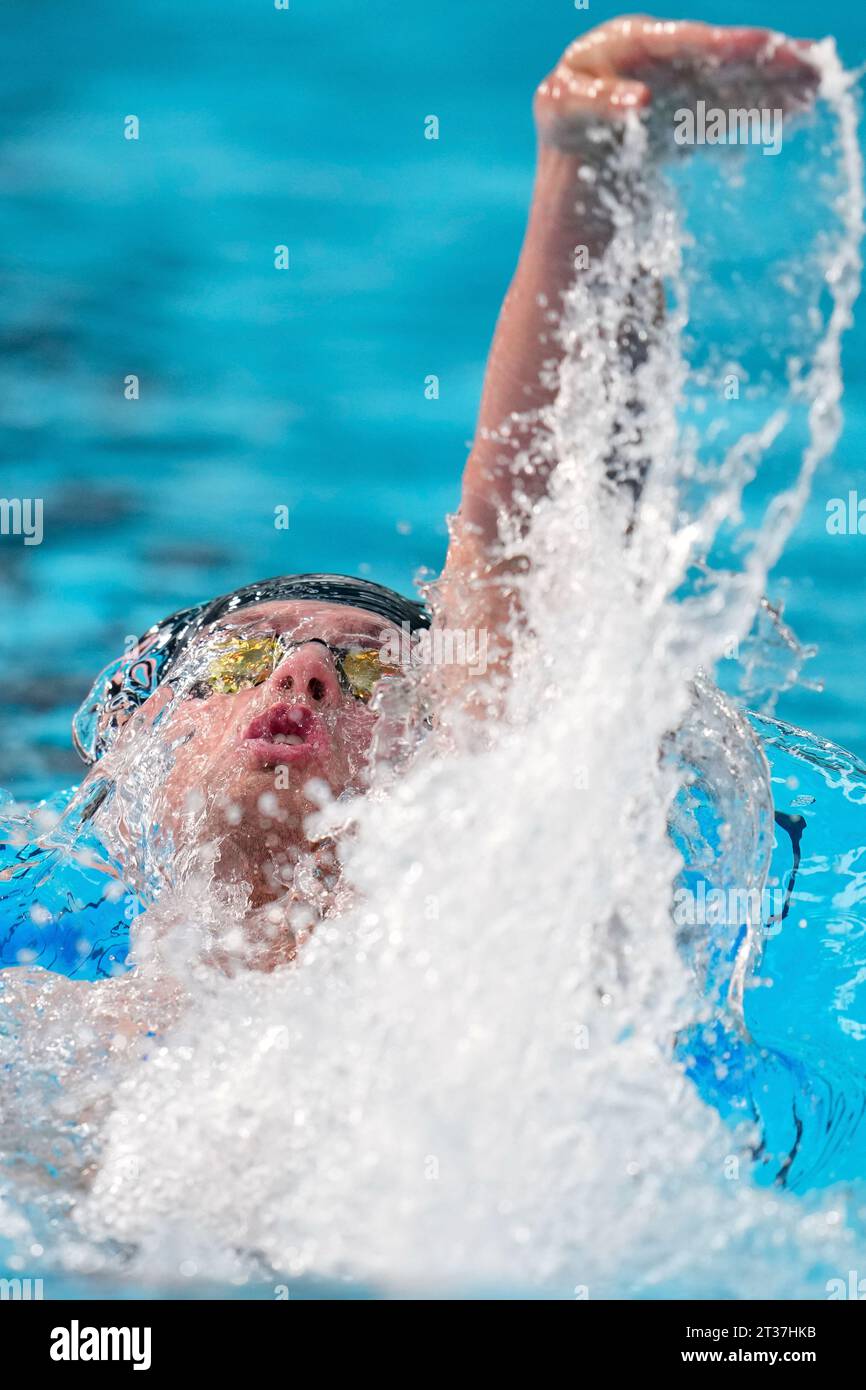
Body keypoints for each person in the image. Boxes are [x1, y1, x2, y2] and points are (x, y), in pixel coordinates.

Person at [0, 18, 819, 1033]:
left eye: (370, 671)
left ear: (431, 762)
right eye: (233, 661)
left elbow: (518, 530)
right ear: (141, 745)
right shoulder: (33, 1027)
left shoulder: (443, 990)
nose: (299, 676)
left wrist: (586, 163)